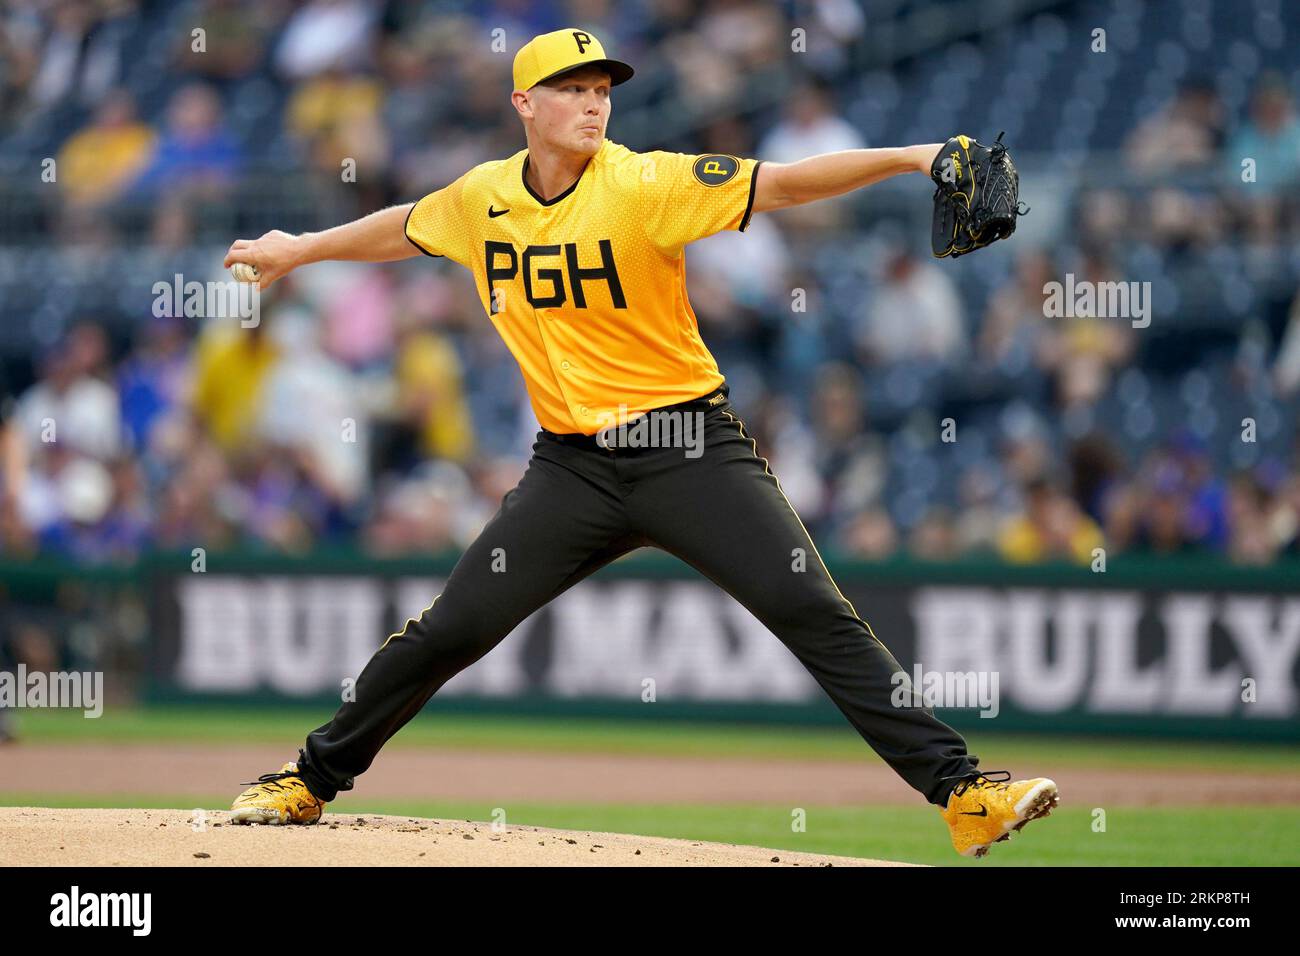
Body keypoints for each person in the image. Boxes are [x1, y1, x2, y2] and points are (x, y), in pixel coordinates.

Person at [224, 28, 1057, 859]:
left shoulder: (645, 180)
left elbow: (787, 185)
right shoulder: (482, 198)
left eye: (602, 89)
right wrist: (302, 249)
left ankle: (964, 795)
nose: (594, 104)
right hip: (571, 469)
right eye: (572, 89)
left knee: (813, 611)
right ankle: (308, 778)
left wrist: (916, 157)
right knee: (450, 629)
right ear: (524, 103)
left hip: (688, 447)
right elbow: (407, 226)